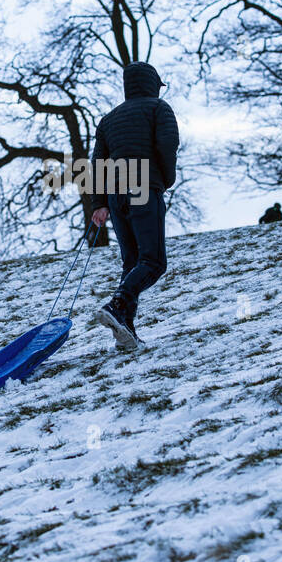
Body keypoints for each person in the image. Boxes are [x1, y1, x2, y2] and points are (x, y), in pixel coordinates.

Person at [89, 61, 179, 349]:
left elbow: (98, 164)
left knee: (132, 262)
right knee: (153, 261)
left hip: (116, 194)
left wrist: (100, 203)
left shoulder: (108, 119)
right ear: (153, 84)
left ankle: (124, 330)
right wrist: (164, 179)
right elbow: (168, 145)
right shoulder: (158, 108)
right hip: (143, 185)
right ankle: (117, 307)